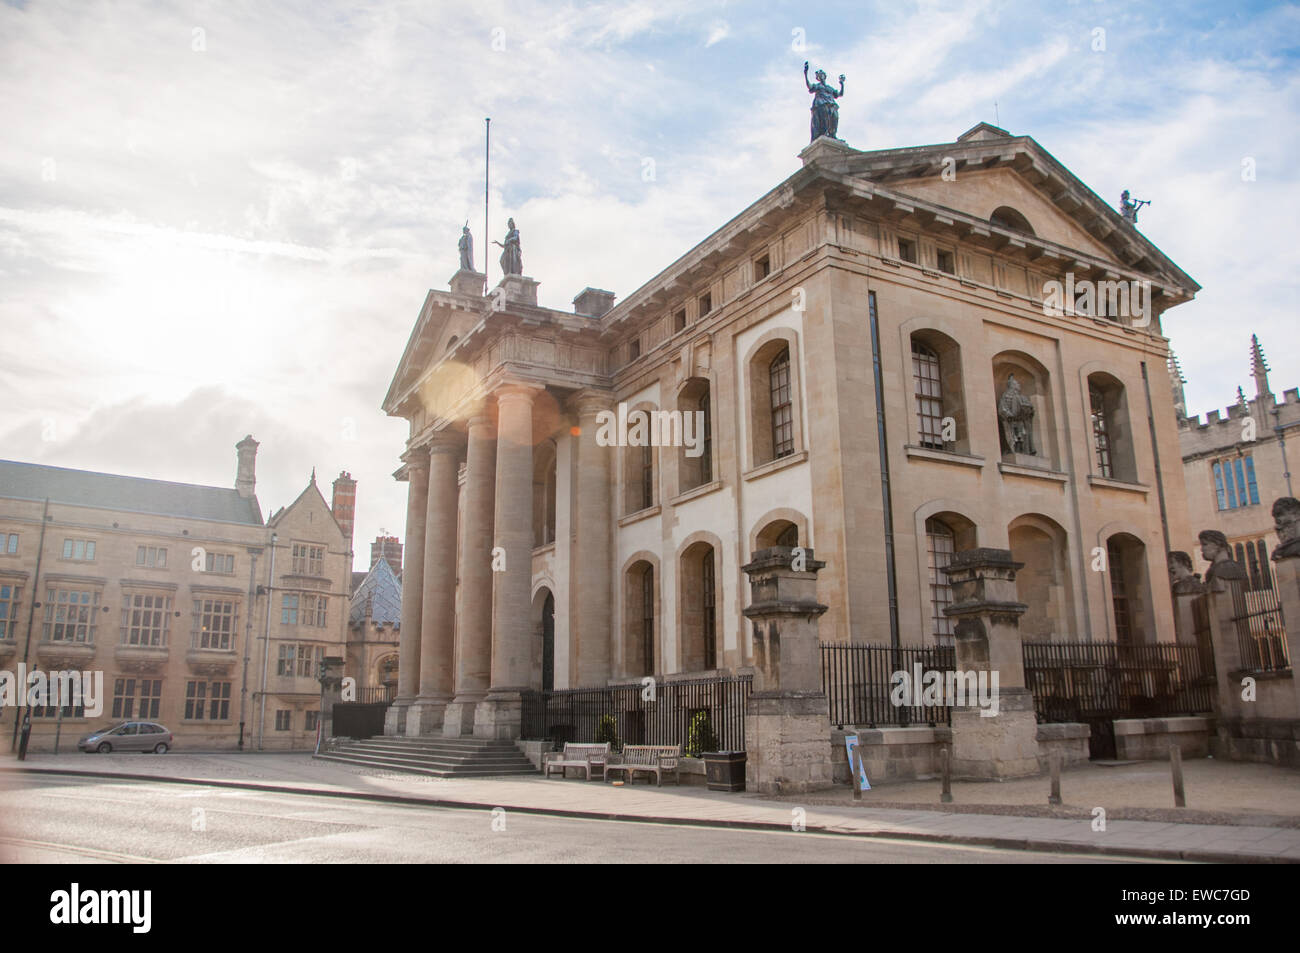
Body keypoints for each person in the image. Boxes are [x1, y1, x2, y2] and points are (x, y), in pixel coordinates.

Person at [804, 62, 846, 141]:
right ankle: (823, 133)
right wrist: (805, 74)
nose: (821, 77)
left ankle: (832, 134)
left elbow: (840, 94)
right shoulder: (818, 86)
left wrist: (842, 84)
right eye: (819, 76)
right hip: (821, 104)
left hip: (831, 105)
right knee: (824, 117)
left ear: (825, 76)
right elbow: (809, 86)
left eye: (822, 75)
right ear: (818, 78)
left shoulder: (829, 88)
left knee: (835, 117)